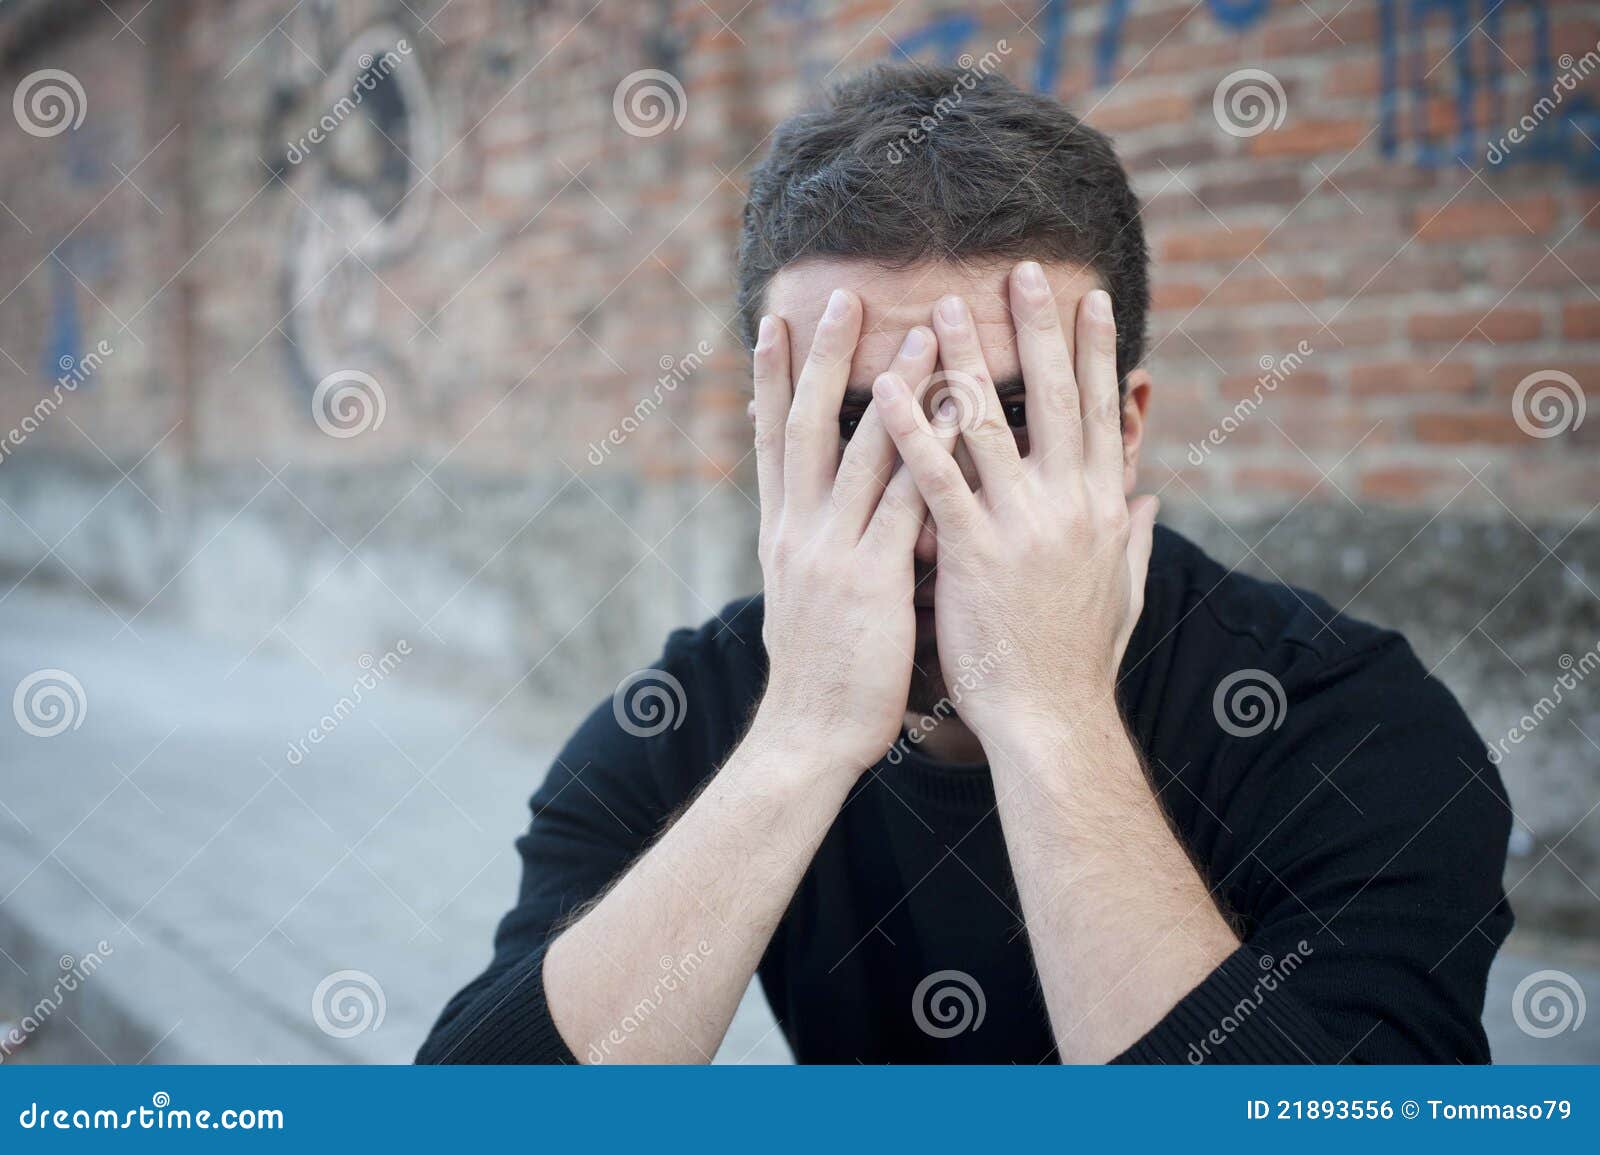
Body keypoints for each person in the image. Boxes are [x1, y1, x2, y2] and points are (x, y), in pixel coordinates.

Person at [418, 63, 1512, 1065]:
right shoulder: (693, 717)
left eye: (1007, 420)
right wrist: (797, 741)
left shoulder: (1343, 720)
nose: (933, 513)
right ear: (768, 437)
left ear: (1123, 428)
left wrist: (1049, 718)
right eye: (857, 433)